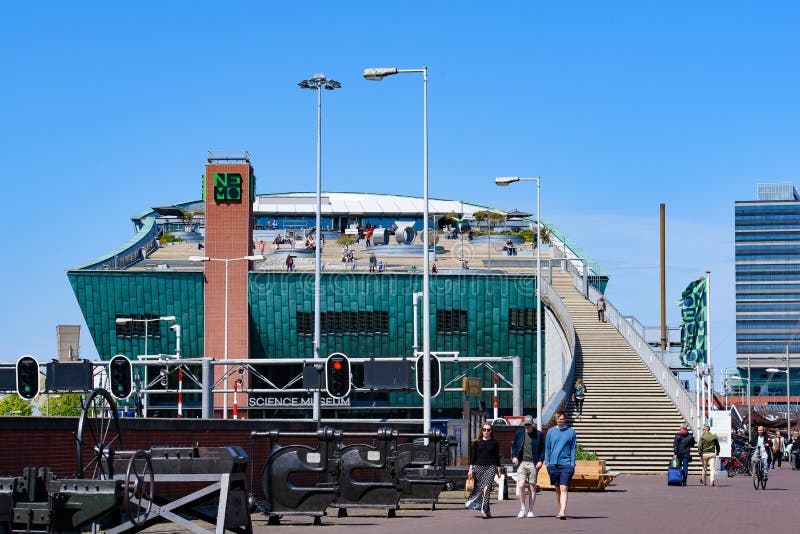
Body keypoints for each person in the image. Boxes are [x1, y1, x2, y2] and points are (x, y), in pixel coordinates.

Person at [544, 411, 577, 520]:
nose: (560, 421)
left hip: (566, 464)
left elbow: (573, 448)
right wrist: (548, 463)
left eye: (562, 419)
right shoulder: (551, 431)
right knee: (557, 489)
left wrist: (572, 464)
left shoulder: (571, 432)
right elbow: (547, 448)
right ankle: (560, 509)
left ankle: (562, 511)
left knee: (564, 487)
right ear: (556, 419)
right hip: (553, 464)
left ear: (565, 419)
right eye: (558, 419)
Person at [466, 423, 502, 519]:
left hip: (491, 467)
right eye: (484, 429)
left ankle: (483, 510)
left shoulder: (495, 443)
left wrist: (499, 468)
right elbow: (472, 458)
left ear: (491, 431)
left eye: (488, 430)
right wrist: (470, 470)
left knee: (486, 488)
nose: (486, 431)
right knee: (481, 490)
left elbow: (497, 457)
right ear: (482, 430)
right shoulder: (476, 443)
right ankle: (487, 510)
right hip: (478, 468)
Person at [511, 415, 544, 518]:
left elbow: (543, 449)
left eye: (529, 425)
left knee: (532, 487)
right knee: (521, 485)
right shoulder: (519, 433)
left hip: (533, 463)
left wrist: (540, 461)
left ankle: (531, 509)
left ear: (532, 424)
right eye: (526, 425)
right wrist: (514, 457)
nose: (527, 426)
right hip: (522, 462)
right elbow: (514, 446)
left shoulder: (538, 434)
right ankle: (522, 508)